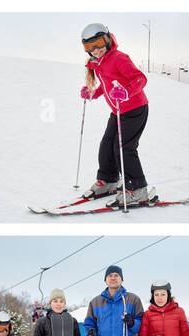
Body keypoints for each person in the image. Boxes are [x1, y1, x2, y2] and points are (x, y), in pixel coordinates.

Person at [78, 23, 151, 205]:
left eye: (99, 43)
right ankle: (109, 180)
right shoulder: (99, 64)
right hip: (118, 111)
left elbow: (140, 78)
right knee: (107, 145)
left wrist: (126, 91)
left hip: (135, 109)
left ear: (108, 40)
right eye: (89, 46)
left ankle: (137, 189)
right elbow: (106, 85)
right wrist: (93, 93)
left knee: (124, 148)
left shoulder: (118, 58)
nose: (95, 50)